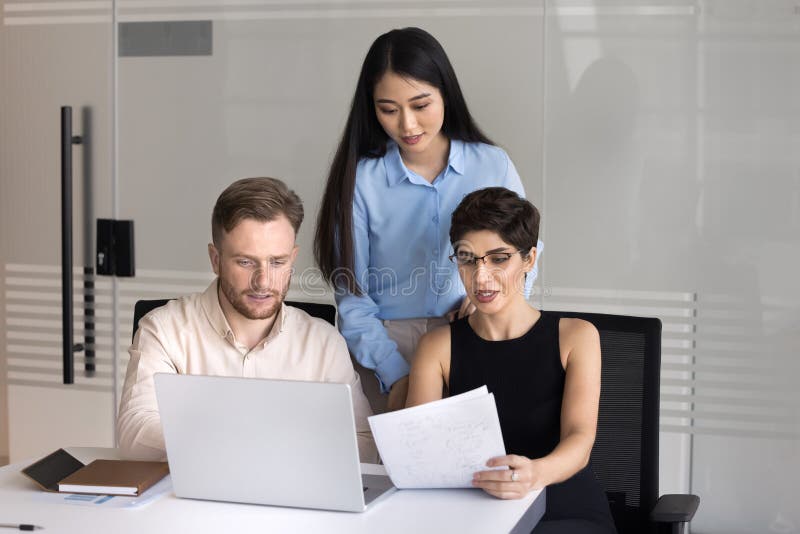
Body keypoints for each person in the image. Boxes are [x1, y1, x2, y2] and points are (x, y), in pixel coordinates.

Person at [314, 27, 542, 412]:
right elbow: (352, 296)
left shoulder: (492, 164)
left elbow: (526, 257)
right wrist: (397, 374)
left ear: (445, 94)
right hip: (383, 348)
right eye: (389, 110)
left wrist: (497, 301)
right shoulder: (361, 180)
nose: (407, 125)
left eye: (421, 105)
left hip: (474, 338)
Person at [118, 177, 377, 463]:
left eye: (277, 262)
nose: (263, 281)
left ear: (292, 258)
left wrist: (217, 440)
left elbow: (364, 445)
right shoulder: (164, 329)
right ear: (215, 260)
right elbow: (134, 436)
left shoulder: (323, 342)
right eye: (245, 262)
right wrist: (259, 444)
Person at [406, 187, 616, 534]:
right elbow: (420, 452)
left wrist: (534, 475)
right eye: (467, 258)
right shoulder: (437, 346)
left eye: (499, 258)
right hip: (474, 510)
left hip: (561, 506)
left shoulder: (576, 337)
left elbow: (579, 440)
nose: (481, 277)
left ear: (529, 259)